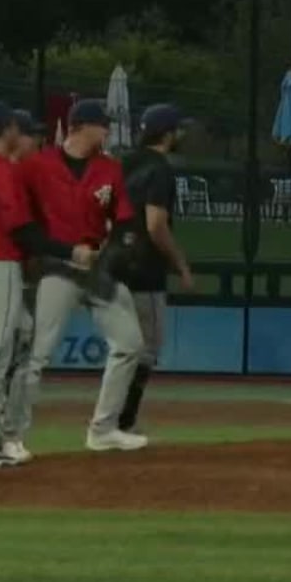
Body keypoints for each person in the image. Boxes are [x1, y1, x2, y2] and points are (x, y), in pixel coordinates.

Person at [0, 101, 93, 469]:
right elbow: (23, 231)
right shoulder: (1, 171)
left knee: (11, 345)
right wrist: (70, 252)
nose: (22, 133)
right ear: (6, 130)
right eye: (17, 127)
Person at [9, 99, 145, 453]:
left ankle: (103, 429)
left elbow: (127, 222)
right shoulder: (38, 166)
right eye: (103, 125)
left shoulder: (110, 169)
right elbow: (18, 220)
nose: (108, 130)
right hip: (56, 269)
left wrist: (116, 254)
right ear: (82, 126)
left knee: (130, 344)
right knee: (37, 356)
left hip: (96, 268)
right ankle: (11, 435)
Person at [118, 104, 193, 433]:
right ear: (167, 132)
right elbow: (156, 224)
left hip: (115, 264)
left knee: (123, 347)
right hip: (144, 269)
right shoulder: (159, 168)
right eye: (178, 128)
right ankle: (121, 423)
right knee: (145, 349)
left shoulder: (123, 163)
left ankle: (113, 422)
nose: (182, 134)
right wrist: (181, 264)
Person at [0, 109, 47, 462]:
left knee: (16, 352)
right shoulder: (4, 173)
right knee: (7, 354)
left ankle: (2, 432)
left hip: (20, 272)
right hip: (4, 270)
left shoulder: (22, 174)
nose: (36, 142)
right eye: (30, 135)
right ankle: (0, 433)